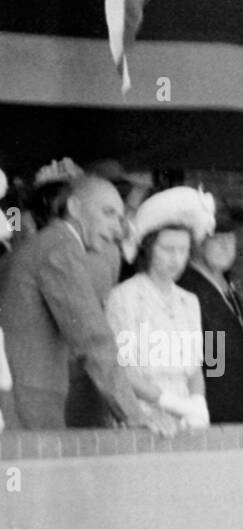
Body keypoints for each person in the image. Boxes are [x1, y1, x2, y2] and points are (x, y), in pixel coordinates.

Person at [0, 173, 156, 431]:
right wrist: (134, 414)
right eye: (107, 213)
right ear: (74, 207)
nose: (117, 228)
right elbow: (92, 337)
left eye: (119, 217)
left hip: (30, 393)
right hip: (31, 399)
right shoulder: (59, 248)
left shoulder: (50, 243)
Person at [106, 187, 218, 435]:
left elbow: (194, 369)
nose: (176, 259)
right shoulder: (125, 296)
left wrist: (198, 404)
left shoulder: (189, 301)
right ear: (148, 248)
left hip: (185, 420)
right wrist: (172, 404)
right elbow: (123, 371)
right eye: (167, 249)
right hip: (143, 416)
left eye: (183, 250)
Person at [177, 201, 243, 424]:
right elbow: (212, 366)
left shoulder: (225, 284)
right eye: (217, 239)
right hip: (219, 415)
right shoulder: (191, 288)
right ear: (196, 242)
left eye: (231, 238)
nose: (227, 246)